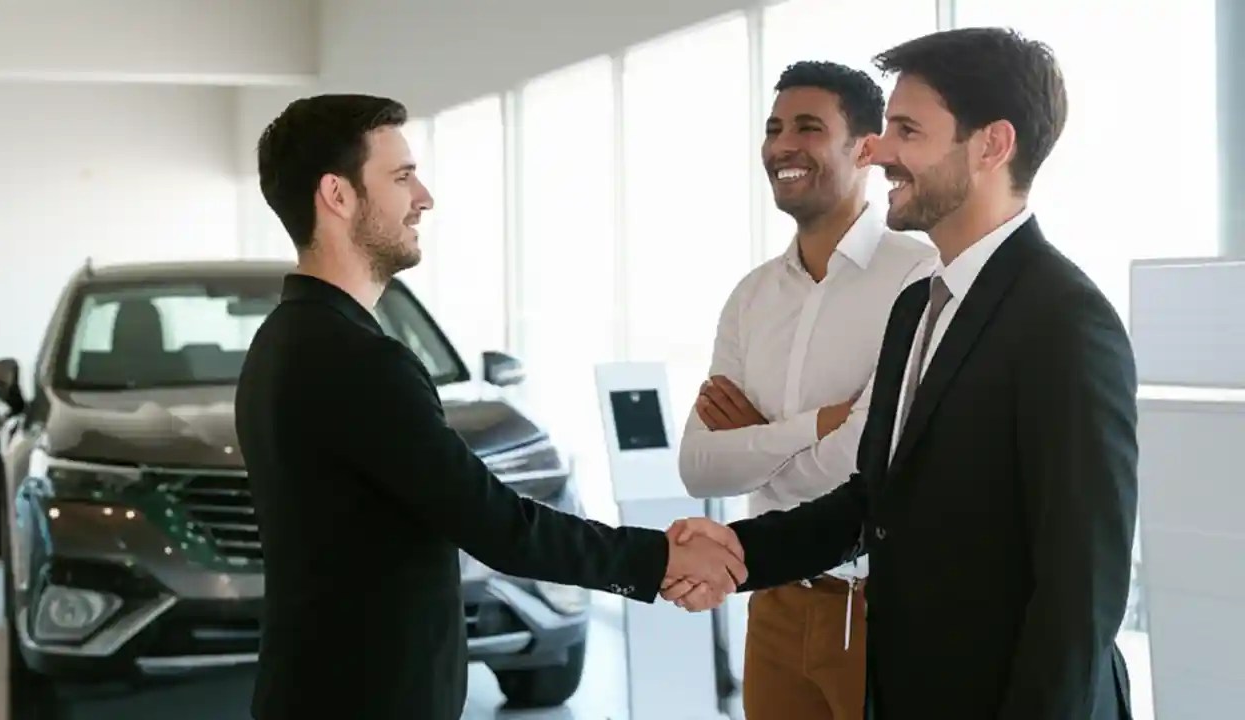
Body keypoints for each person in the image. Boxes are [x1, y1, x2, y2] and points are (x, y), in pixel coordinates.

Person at [663, 27, 1138, 719]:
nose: (879, 150)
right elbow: (876, 502)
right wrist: (741, 548)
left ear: (991, 146)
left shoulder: (1066, 322)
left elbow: (1081, 592)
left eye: (907, 130)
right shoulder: (919, 302)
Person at [235, 94, 748, 720]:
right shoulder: (358, 360)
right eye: (401, 177)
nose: (424, 197)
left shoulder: (283, 339)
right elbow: (498, 526)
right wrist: (661, 558)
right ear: (337, 195)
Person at [677, 61, 935, 720]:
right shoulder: (752, 295)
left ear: (866, 148)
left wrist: (759, 437)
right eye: (773, 128)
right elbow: (700, 465)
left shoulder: (922, 277)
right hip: (776, 598)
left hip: (882, 607)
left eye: (809, 127)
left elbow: (868, 463)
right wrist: (818, 424)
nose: (781, 145)